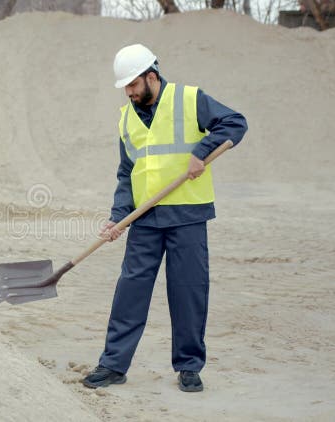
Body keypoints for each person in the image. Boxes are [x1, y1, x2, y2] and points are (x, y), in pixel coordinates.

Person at [81, 44, 248, 392]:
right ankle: (113, 364)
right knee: (130, 289)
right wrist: (117, 217)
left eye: (132, 85)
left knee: (188, 290)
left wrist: (200, 152)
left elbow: (235, 122)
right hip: (144, 218)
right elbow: (127, 172)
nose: (128, 92)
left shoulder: (189, 99)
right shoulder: (126, 117)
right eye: (125, 86)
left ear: (151, 77)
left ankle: (188, 366)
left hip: (187, 213)